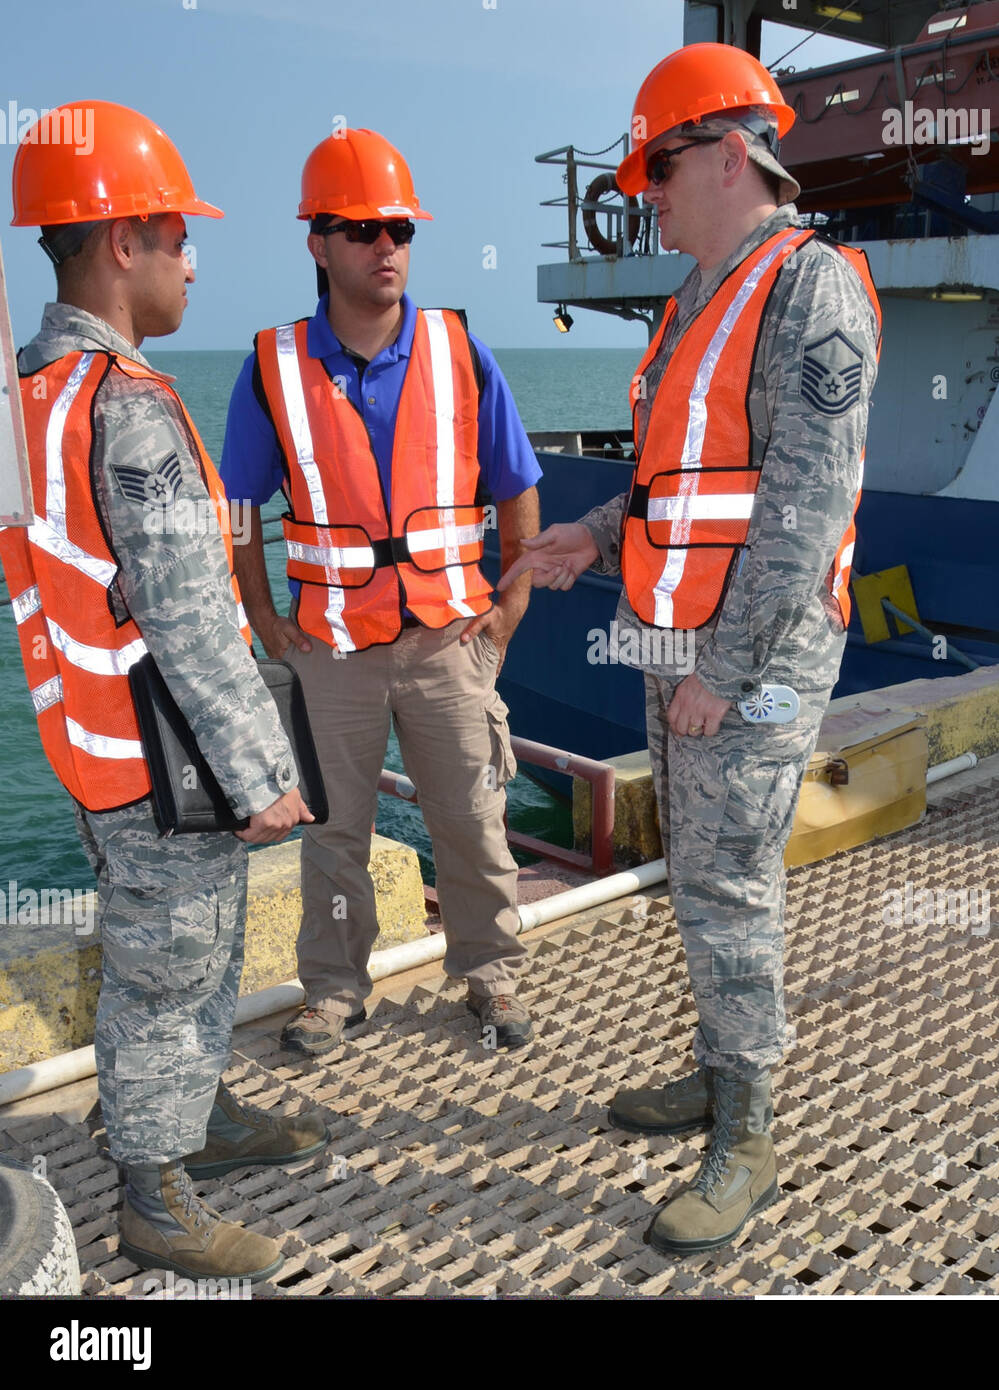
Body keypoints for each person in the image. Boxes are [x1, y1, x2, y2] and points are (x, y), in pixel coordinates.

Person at [499, 43, 881, 1257]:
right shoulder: (696, 302)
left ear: (729, 155)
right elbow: (684, 489)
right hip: (682, 649)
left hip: (746, 660)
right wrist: (589, 535)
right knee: (702, 878)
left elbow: (805, 504)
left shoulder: (806, 288)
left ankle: (748, 1132)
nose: (645, 193)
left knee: (728, 886)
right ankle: (720, 1077)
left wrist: (725, 672)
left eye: (659, 167)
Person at [0, 101, 327, 1284]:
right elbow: (191, 619)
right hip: (163, 757)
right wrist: (264, 778)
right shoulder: (126, 408)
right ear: (120, 240)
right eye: (179, 234)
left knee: (164, 954)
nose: (195, 259)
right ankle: (157, 1198)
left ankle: (193, 1113)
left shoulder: (27, 393)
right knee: (171, 969)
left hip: (92, 747)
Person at [220, 128, 541, 1056]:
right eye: (360, 229)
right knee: (332, 835)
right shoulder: (272, 367)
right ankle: (331, 989)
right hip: (329, 652)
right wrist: (267, 625)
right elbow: (239, 510)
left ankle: (492, 973)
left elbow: (518, 486)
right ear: (317, 244)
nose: (385, 246)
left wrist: (508, 614)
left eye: (398, 227)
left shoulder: (459, 350)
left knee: (475, 819)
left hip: (449, 641)